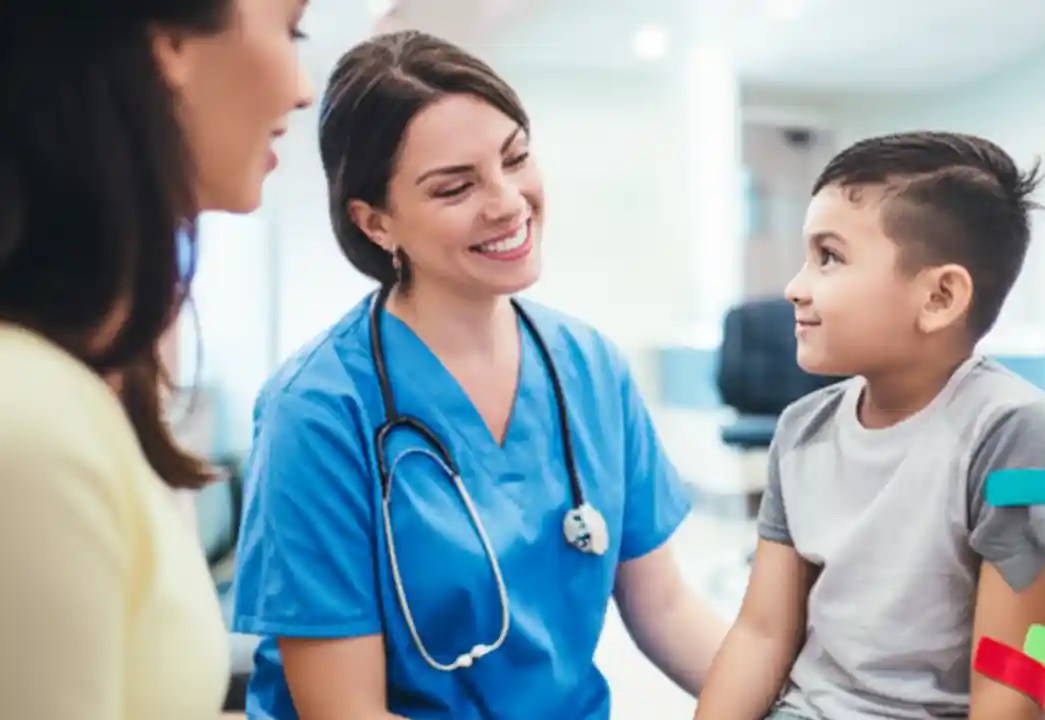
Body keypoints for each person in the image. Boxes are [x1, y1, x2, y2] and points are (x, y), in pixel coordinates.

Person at [231, 30, 726, 719]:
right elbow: (343, 712)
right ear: (376, 223)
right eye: (456, 186)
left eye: (515, 158)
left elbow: (665, 607)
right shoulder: (316, 409)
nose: (507, 201)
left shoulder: (589, 368)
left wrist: (795, 703)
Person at [694, 132, 1045, 720]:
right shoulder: (801, 430)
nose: (795, 288)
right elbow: (761, 635)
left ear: (940, 296)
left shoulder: (1014, 432)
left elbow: (1018, 667)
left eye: (829, 257)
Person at [0, 1, 313, 718]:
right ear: (169, 42)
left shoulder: (73, 397)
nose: (302, 87)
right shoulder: (30, 423)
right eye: (290, 29)